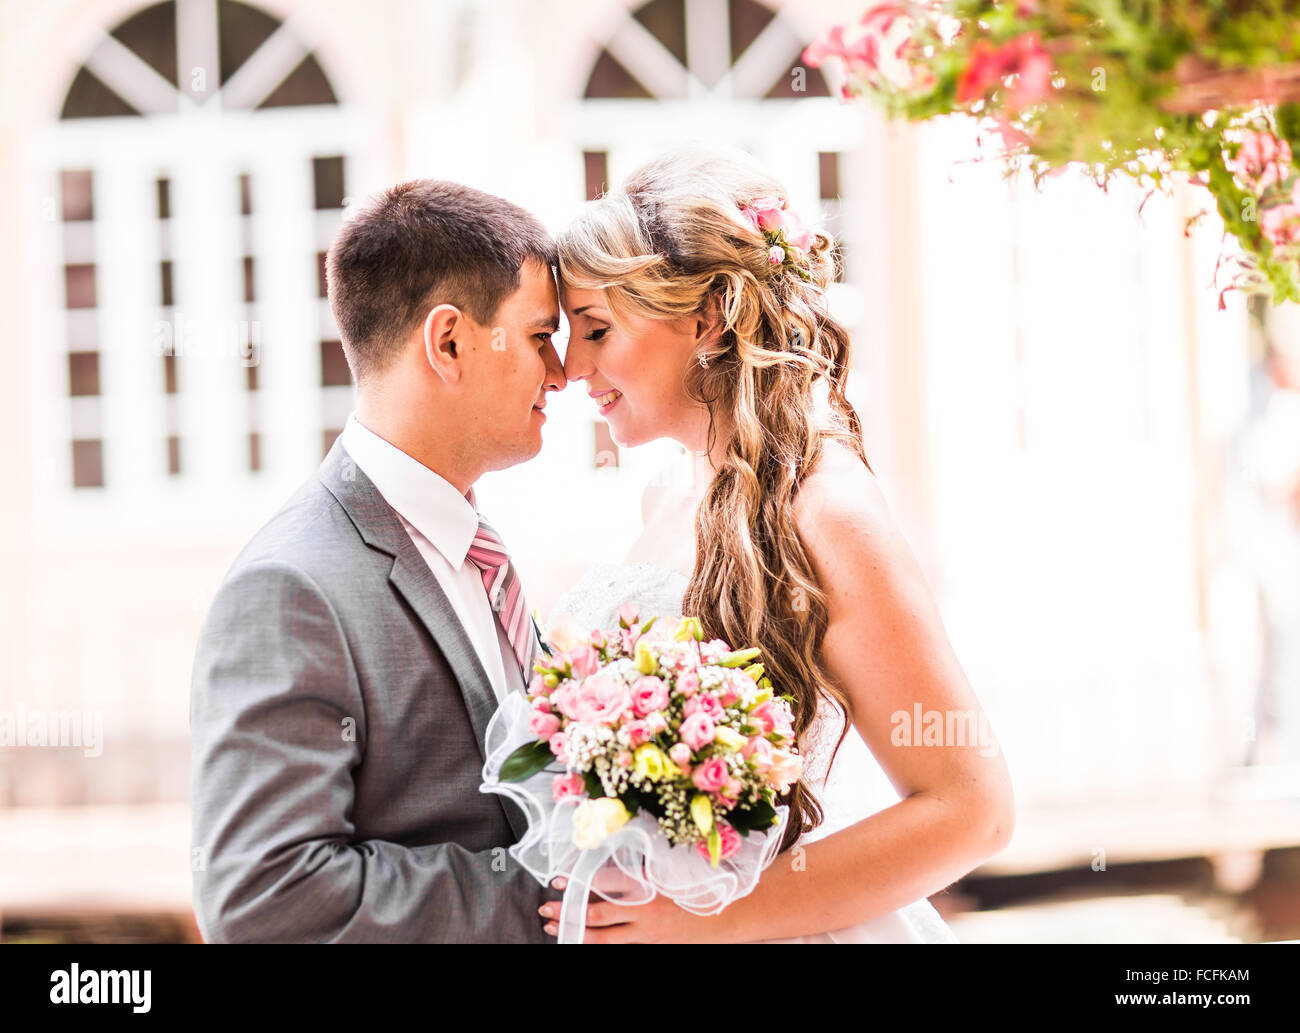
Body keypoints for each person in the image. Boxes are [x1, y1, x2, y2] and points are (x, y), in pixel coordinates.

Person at [540, 147, 1014, 942]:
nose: (571, 366)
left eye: (596, 328)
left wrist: (703, 920)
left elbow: (974, 809)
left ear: (706, 320)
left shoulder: (826, 510)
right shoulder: (676, 491)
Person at [189, 179, 566, 942]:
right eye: (538, 336)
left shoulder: (474, 544)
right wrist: (552, 896)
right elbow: (266, 896)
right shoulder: (291, 588)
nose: (560, 373)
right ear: (450, 342)